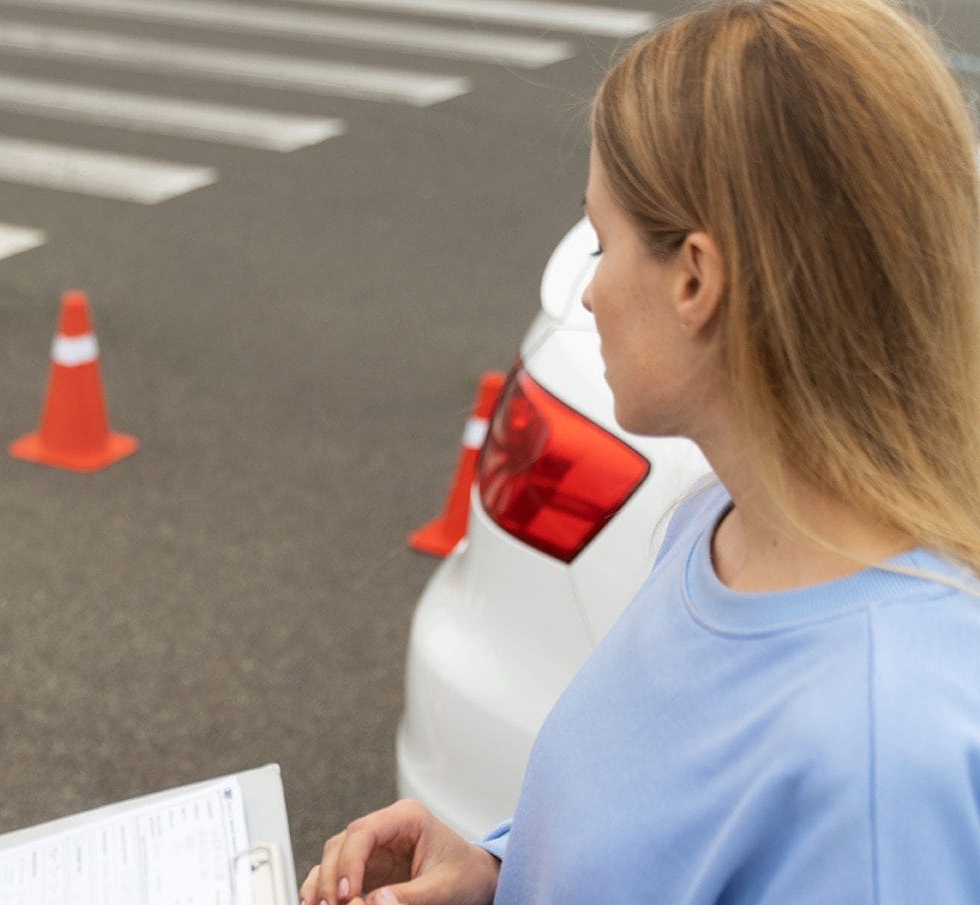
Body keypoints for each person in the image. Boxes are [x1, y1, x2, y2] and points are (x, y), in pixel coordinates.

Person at [301, 0, 980, 902]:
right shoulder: (719, 523)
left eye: (604, 240)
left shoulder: (883, 759)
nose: (588, 294)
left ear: (697, 277)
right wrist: (496, 871)